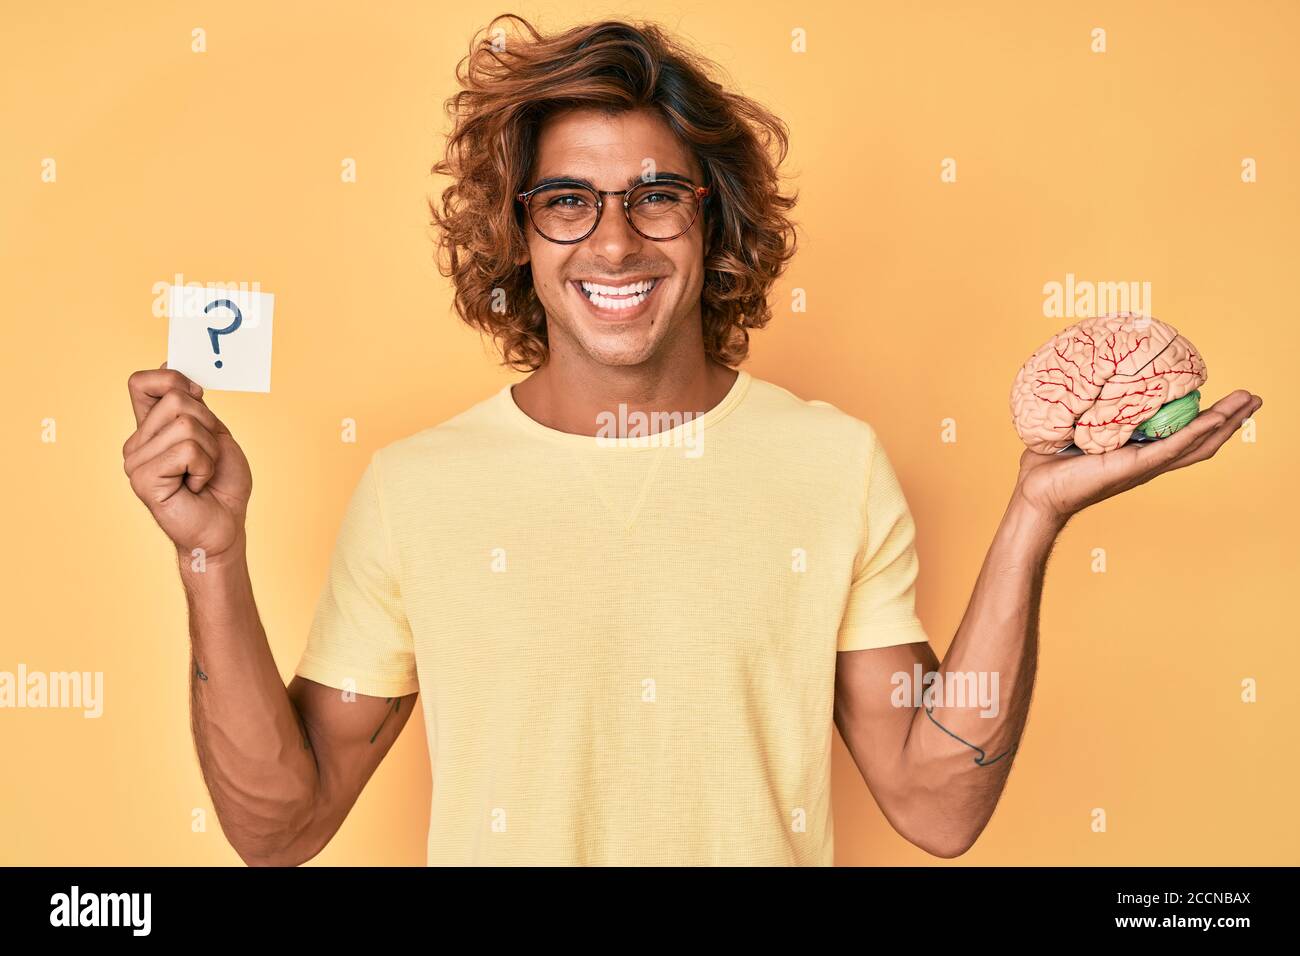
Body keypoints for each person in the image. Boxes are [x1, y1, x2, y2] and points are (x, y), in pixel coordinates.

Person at [121, 14, 1262, 866]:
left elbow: (934, 801)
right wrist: (210, 554)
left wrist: (1032, 519)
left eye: (656, 196)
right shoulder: (415, 488)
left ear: (712, 220)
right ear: (517, 238)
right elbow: (280, 826)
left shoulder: (833, 465)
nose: (613, 243)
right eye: (567, 201)